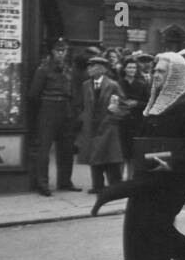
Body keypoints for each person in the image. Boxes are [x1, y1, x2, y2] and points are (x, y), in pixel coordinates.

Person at [119, 52, 185, 260]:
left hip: (174, 179)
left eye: (161, 71)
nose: (155, 75)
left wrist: (159, 161)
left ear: (176, 75)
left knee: (155, 224)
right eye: (155, 71)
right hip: (151, 174)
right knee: (149, 222)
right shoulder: (158, 101)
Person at [29, 44, 83, 194]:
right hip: (48, 107)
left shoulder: (69, 70)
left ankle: (65, 181)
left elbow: (74, 91)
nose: (61, 54)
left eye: (64, 51)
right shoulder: (44, 70)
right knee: (44, 148)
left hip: (66, 109)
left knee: (67, 148)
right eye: (58, 51)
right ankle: (43, 184)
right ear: (52, 52)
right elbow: (34, 94)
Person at [76, 56, 124, 193]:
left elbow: (123, 104)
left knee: (110, 156)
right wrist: (83, 118)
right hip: (91, 126)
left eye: (93, 66)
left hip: (108, 125)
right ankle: (98, 186)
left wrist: (114, 116)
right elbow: (80, 104)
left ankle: (116, 186)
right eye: (89, 66)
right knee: (94, 156)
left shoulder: (113, 85)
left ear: (102, 69)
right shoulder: (85, 85)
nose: (89, 69)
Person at [117, 58, 151, 179]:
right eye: (129, 67)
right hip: (122, 120)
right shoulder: (119, 83)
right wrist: (124, 104)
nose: (131, 70)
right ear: (124, 69)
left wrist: (136, 103)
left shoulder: (142, 84)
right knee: (121, 151)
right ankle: (118, 178)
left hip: (136, 121)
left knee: (133, 152)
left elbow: (148, 103)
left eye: (134, 68)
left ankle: (130, 177)